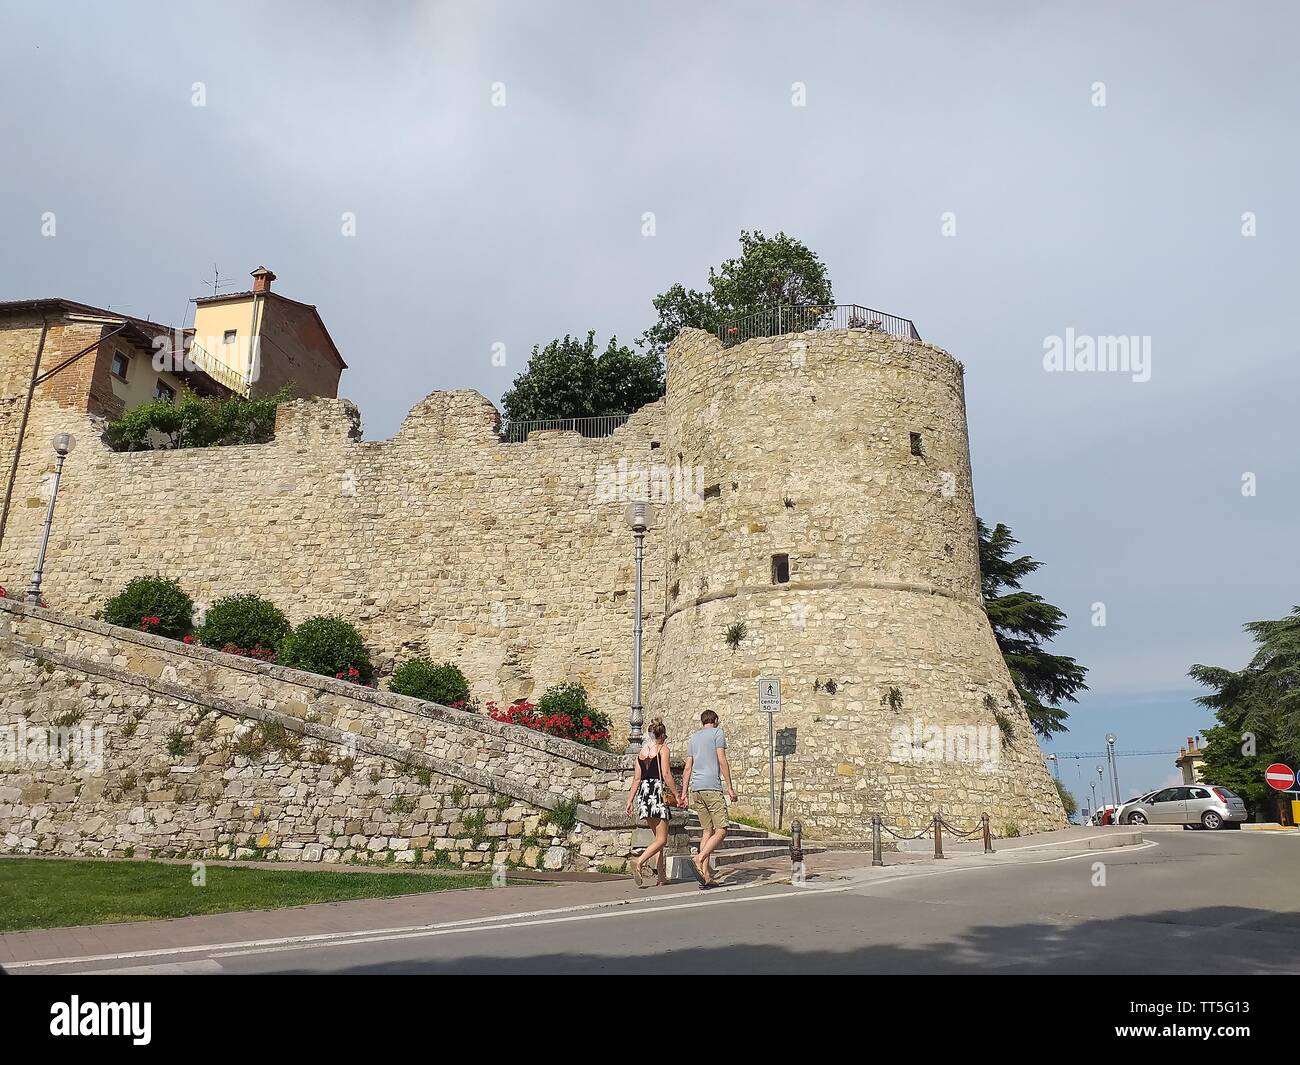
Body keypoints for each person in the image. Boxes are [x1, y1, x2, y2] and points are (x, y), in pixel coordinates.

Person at [680, 709, 737, 888]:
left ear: (702, 722)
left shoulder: (693, 738)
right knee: (721, 830)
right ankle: (699, 858)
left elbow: (687, 767)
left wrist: (683, 793)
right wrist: (729, 787)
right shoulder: (717, 733)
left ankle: (706, 876)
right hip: (712, 787)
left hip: (696, 788)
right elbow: (722, 760)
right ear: (716, 720)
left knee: (707, 831)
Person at [625, 718, 677, 888]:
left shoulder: (641, 753)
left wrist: (630, 800)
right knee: (662, 839)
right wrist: (677, 794)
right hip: (657, 792)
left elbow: (636, 779)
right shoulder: (663, 749)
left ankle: (661, 876)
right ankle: (639, 862)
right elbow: (666, 773)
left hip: (644, 793)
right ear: (661, 735)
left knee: (657, 839)